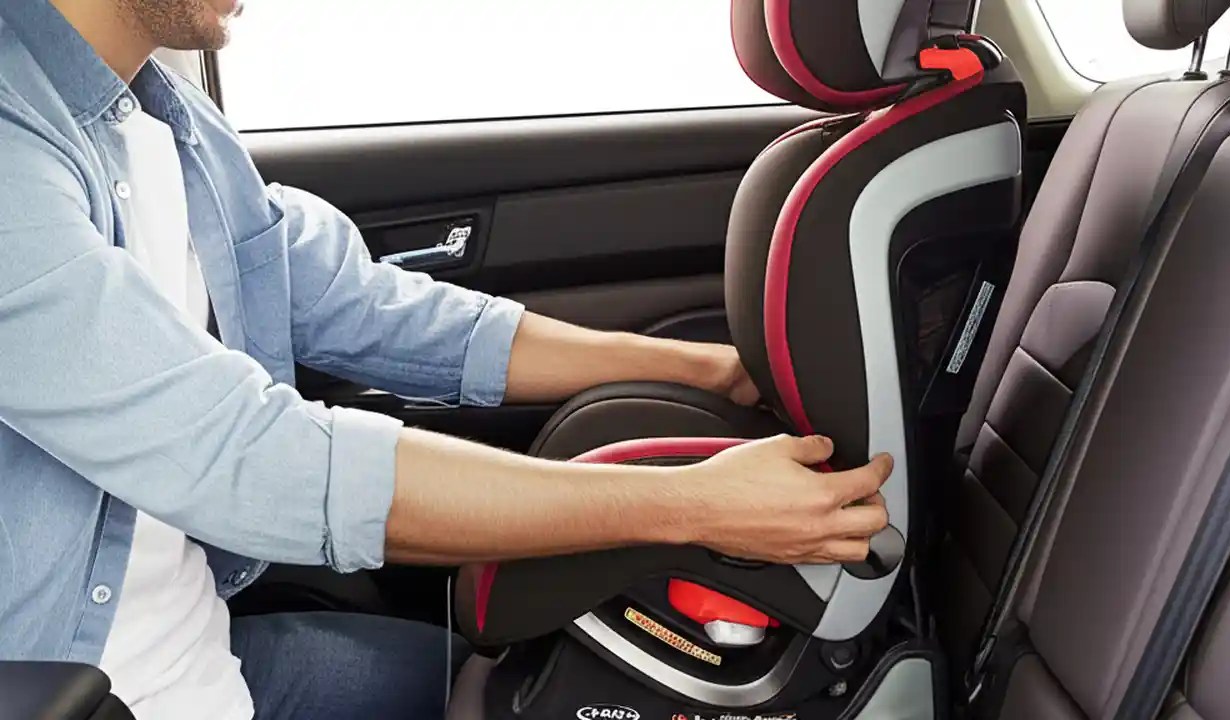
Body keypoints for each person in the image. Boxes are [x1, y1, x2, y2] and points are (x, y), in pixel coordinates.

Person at [0, 1, 893, 718]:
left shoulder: (166, 121)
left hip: (201, 653)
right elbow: (252, 457)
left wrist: (700, 368)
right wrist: (695, 506)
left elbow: (366, 306)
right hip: (74, 689)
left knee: (534, 681)